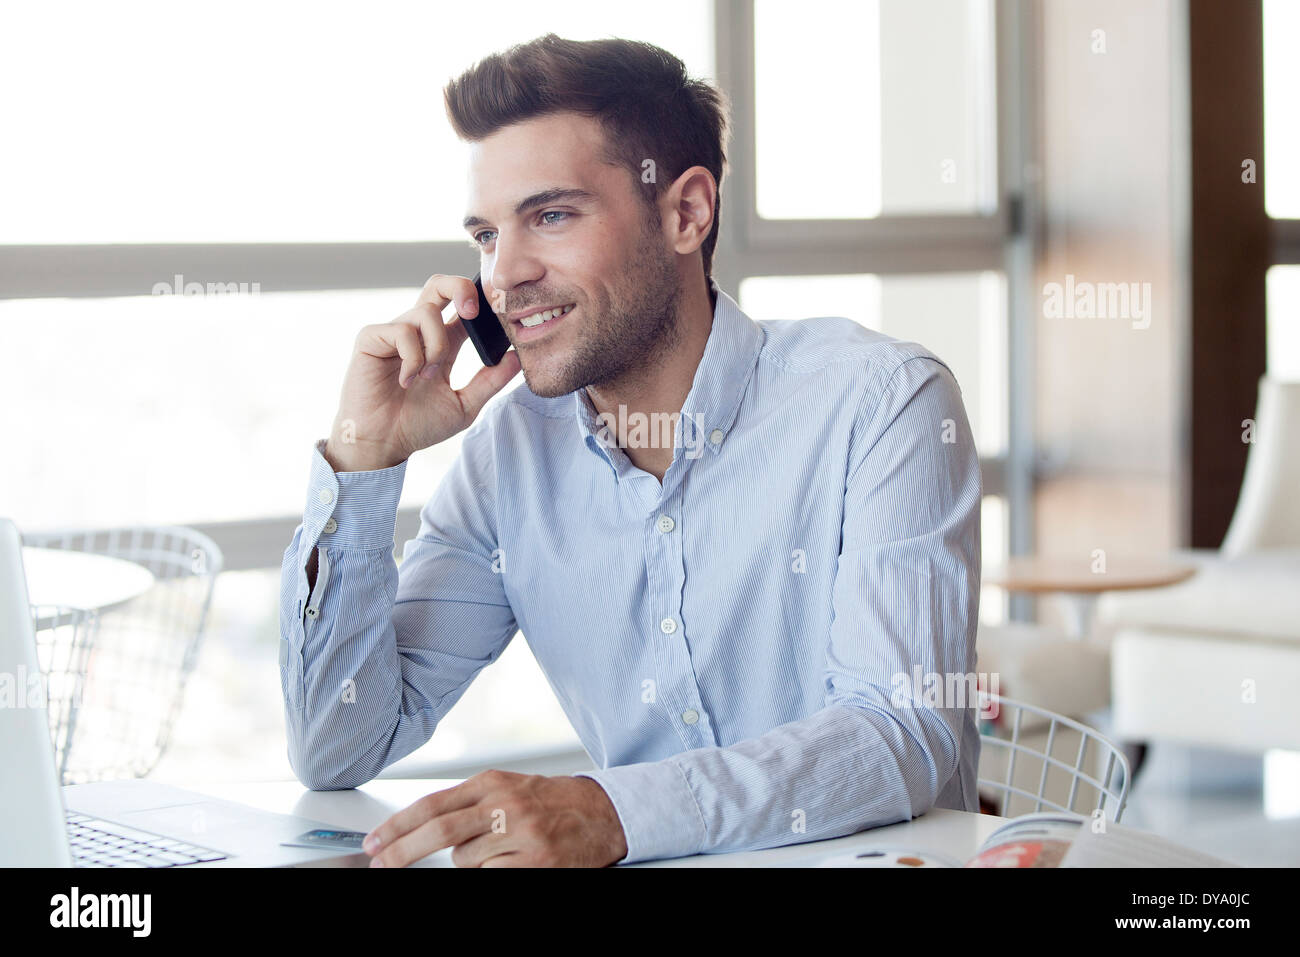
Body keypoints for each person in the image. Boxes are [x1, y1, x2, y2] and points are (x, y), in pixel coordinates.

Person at [279, 33, 982, 868]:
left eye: (550, 215)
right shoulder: (512, 455)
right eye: (485, 235)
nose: (504, 276)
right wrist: (365, 460)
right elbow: (338, 746)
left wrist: (613, 810)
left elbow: (901, 732)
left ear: (686, 212)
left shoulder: (881, 402)